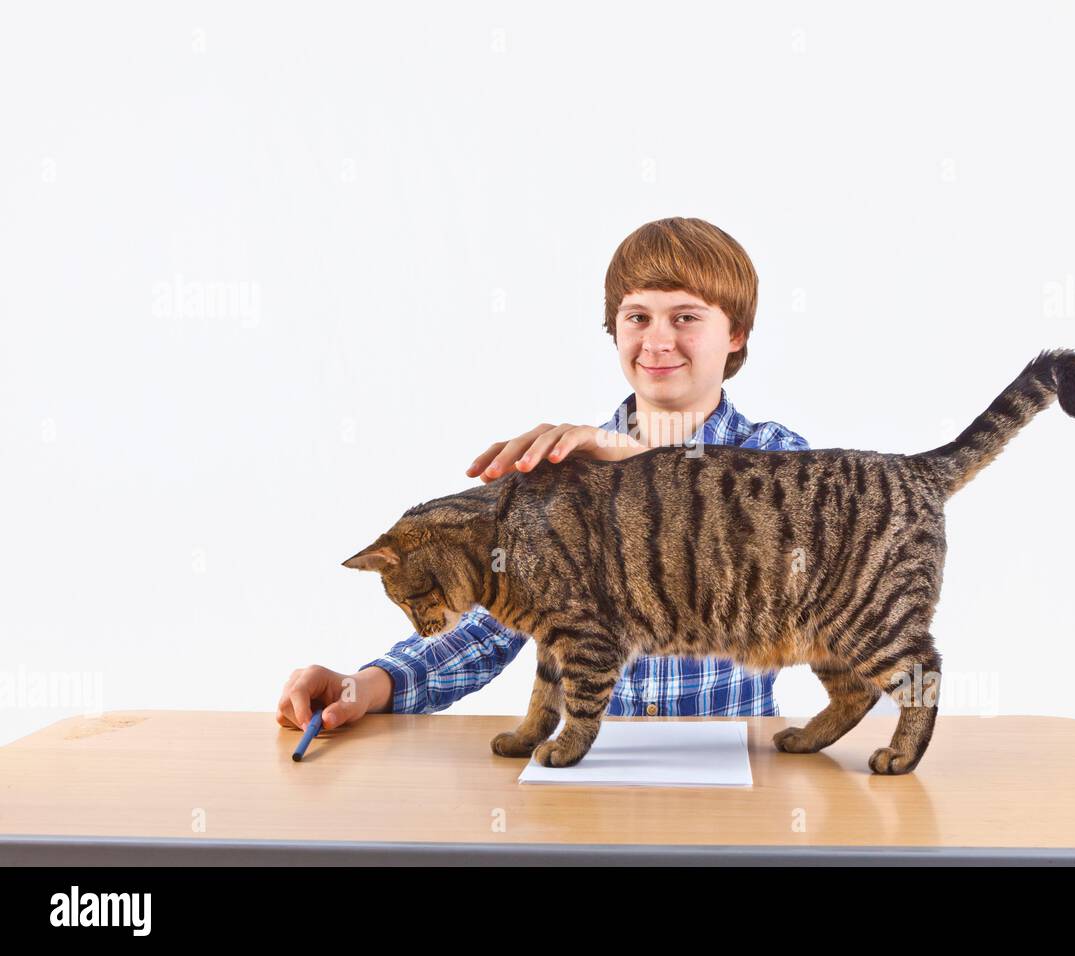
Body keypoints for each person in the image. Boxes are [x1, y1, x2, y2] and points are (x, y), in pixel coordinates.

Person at [277, 217, 810, 732]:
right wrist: (363, 687)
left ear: (736, 333)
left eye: (686, 318)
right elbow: (486, 623)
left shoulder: (778, 457)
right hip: (603, 773)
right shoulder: (566, 478)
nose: (657, 341)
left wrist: (635, 468)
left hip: (738, 777)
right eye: (637, 317)